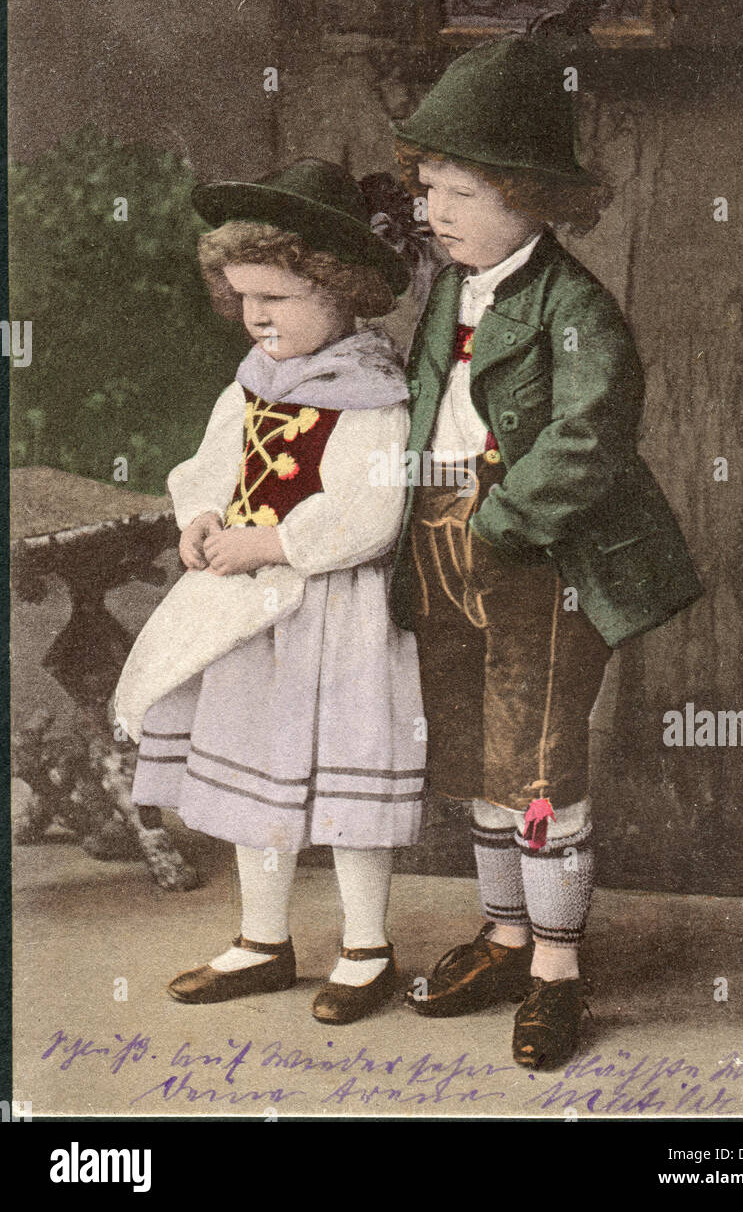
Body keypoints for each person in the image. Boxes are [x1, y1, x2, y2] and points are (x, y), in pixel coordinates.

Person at [388, 36, 703, 1068]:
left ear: (535, 197)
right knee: (480, 746)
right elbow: (432, 409)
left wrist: (494, 524)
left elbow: (589, 440)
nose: (436, 211)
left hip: (543, 556)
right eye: (430, 185)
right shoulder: (450, 289)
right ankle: (504, 936)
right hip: (445, 539)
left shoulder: (576, 309)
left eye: (464, 191)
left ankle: (558, 972)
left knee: (536, 762)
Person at [114, 158, 425, 1025]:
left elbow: (370, 514)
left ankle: (366, 949)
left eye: (278, 298)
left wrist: (275, 542)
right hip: (252, 616)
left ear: (339, 291)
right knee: (258, 774)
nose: (256, 316)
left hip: (340, 615)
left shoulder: (371, 401)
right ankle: (262, 939)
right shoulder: (252, 384)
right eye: (244, 297)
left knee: (346, 786)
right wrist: (202, 517)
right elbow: (212, 464)